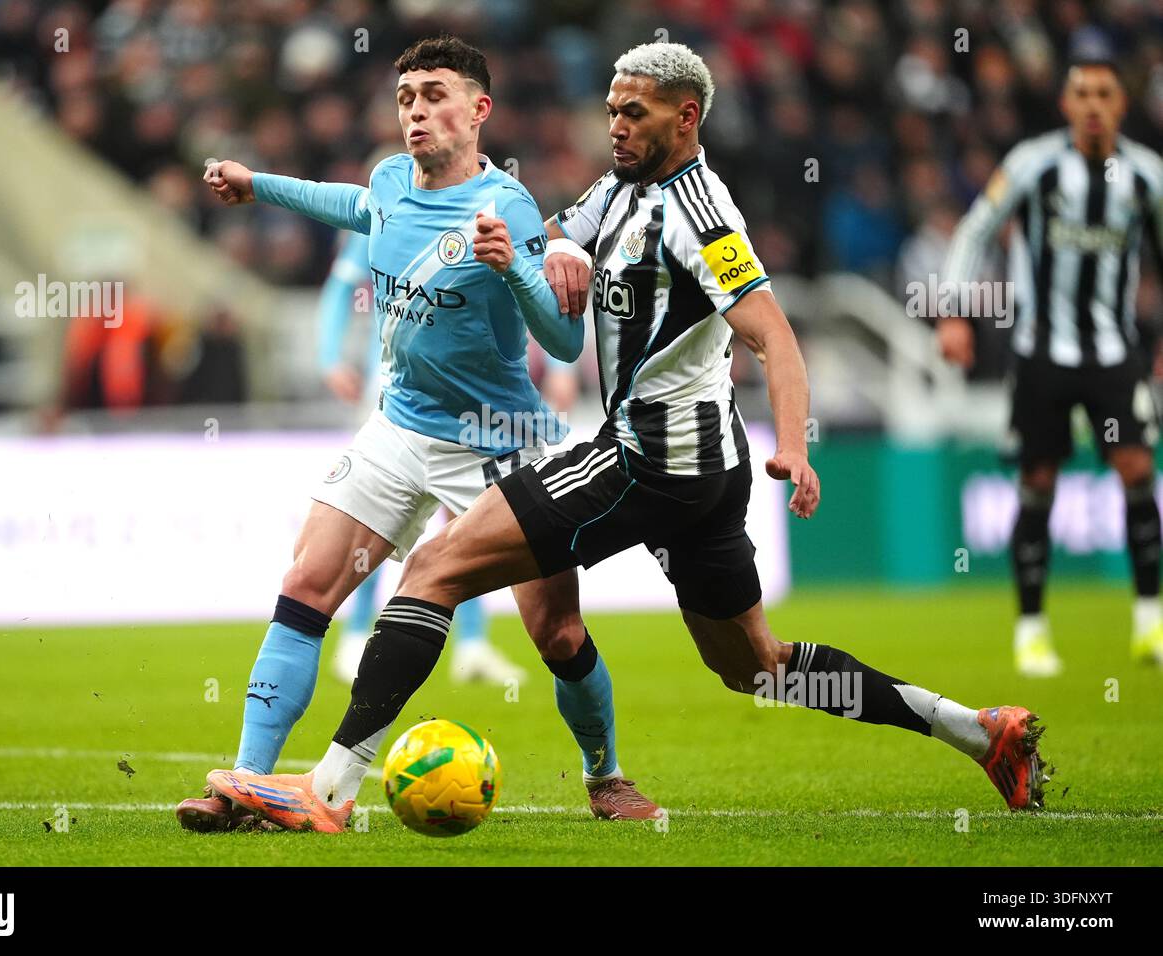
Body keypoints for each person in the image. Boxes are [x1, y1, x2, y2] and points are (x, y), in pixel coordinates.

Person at [209, 42, 1049, 834]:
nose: (615, 127)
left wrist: (795, 442)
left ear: (686, 118)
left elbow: (775, 337)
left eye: (635, 114)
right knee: (757, 664)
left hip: (649, 463)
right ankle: (981, 733)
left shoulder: (699, 215)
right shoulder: (620, 187)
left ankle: (327, 791)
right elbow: (563, 229)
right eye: (612, 110)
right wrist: (560, 251)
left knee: (434, 570)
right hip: (706, 473)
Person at [176, 35, 661, 832]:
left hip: (503, 440)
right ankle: (250, 784)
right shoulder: (392, 180)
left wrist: (513, 271)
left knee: (557, 631)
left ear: (479, 109)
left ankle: (606, 776)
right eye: (405, 99)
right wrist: (256, 184)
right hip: (401, 426)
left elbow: (566, 344)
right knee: (306, 585)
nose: (416, 112)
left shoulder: (506, 206)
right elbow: (351, 206)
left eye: (434, 95)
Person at [938, 60, 1163, 675]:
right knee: (1038, 481)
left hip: (1116, 354)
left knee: (1137, 469)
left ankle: (1150, 622)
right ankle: (1032, 631)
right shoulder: (1035, 162)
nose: (1092, 104)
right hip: (1041, 355)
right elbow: (974, 228)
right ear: (1066, 104)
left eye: (1104, 93)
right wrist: (953, 312)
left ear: (1121, 105)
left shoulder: (1146, 176)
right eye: (1081, 93)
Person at [315, 223, 525, 686]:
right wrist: (331, 356)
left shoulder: (478, 216)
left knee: (472, 519)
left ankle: (471, 643)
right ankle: (355, 635)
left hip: (464, 391)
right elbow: (341, 287)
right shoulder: (387, 212)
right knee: (376, 516)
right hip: (393, 388)